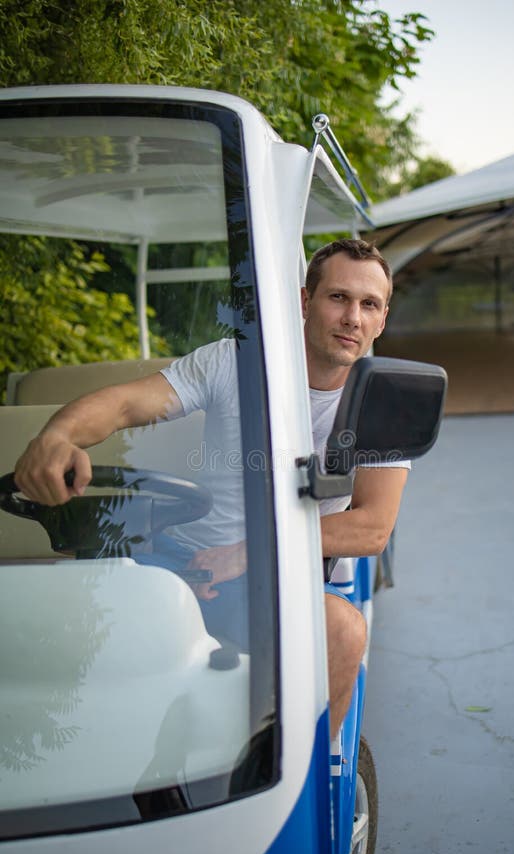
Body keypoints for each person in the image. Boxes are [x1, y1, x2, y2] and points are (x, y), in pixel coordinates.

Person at [14, 239, 408, 746]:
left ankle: (308, 782)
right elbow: (125, 405)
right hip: (181, 559)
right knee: (63, 619)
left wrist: (247, 554)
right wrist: (57, 436)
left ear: (382, 319)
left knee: (345, 630)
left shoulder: (387, 399)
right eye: (338, 298)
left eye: (368, 304)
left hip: (279, 577)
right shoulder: (236, 361)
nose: (352, 317)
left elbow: (373, 527)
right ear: (305, 300)